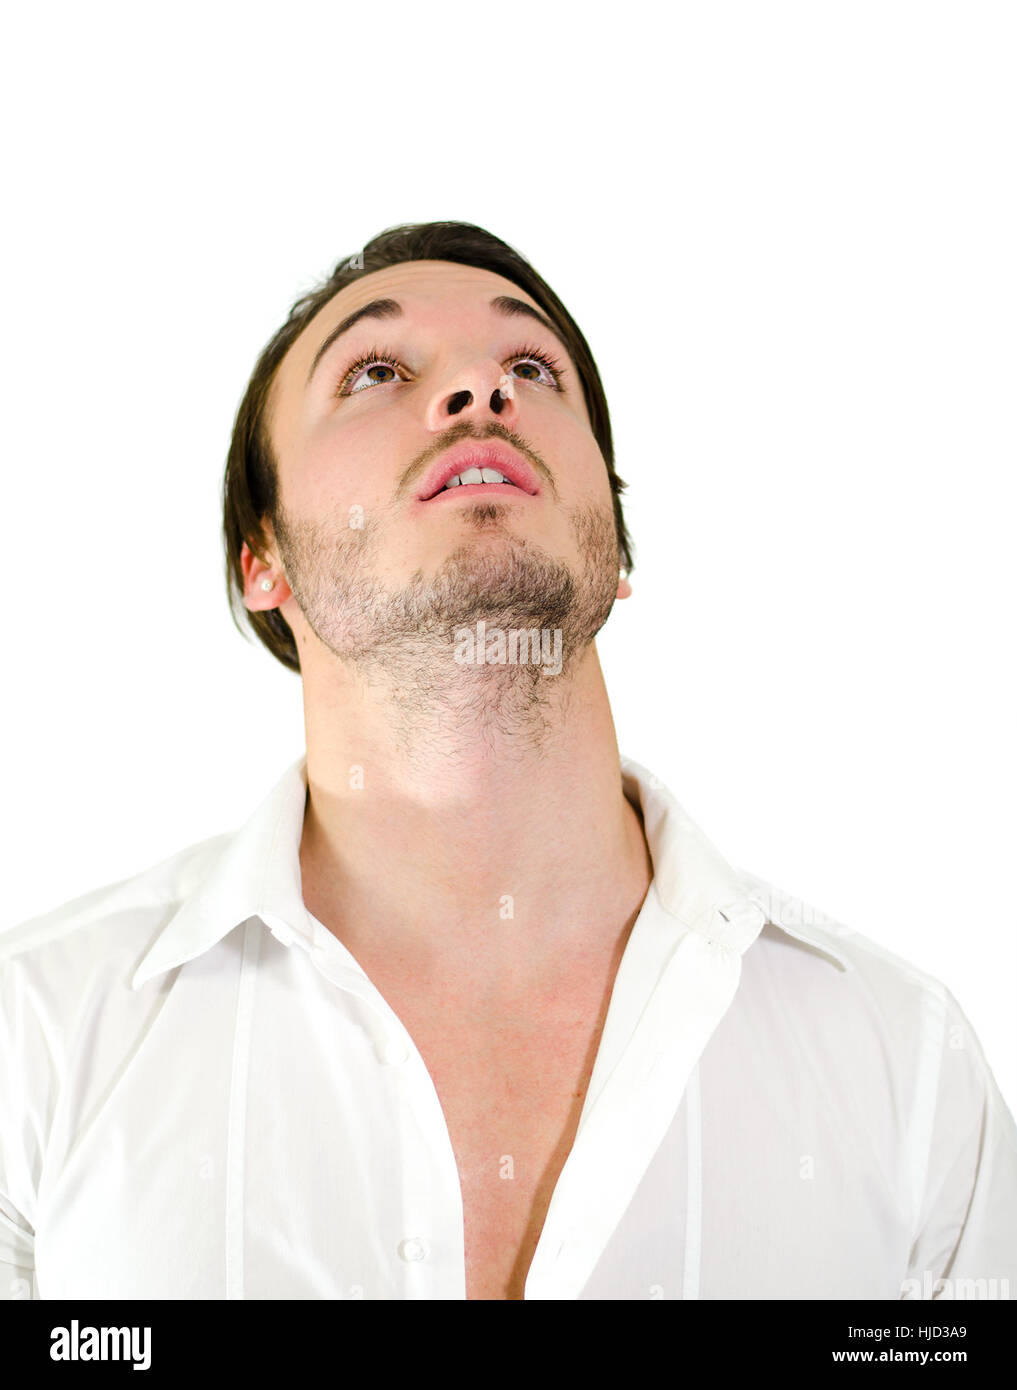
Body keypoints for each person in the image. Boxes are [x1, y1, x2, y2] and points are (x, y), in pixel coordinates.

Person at [2, 222, 1015, 1301]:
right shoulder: (40, 1040)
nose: (481, 387)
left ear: (615, 550)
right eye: (375, 370)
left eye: (531, 368)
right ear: (263, 557)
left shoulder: (906, 1072)